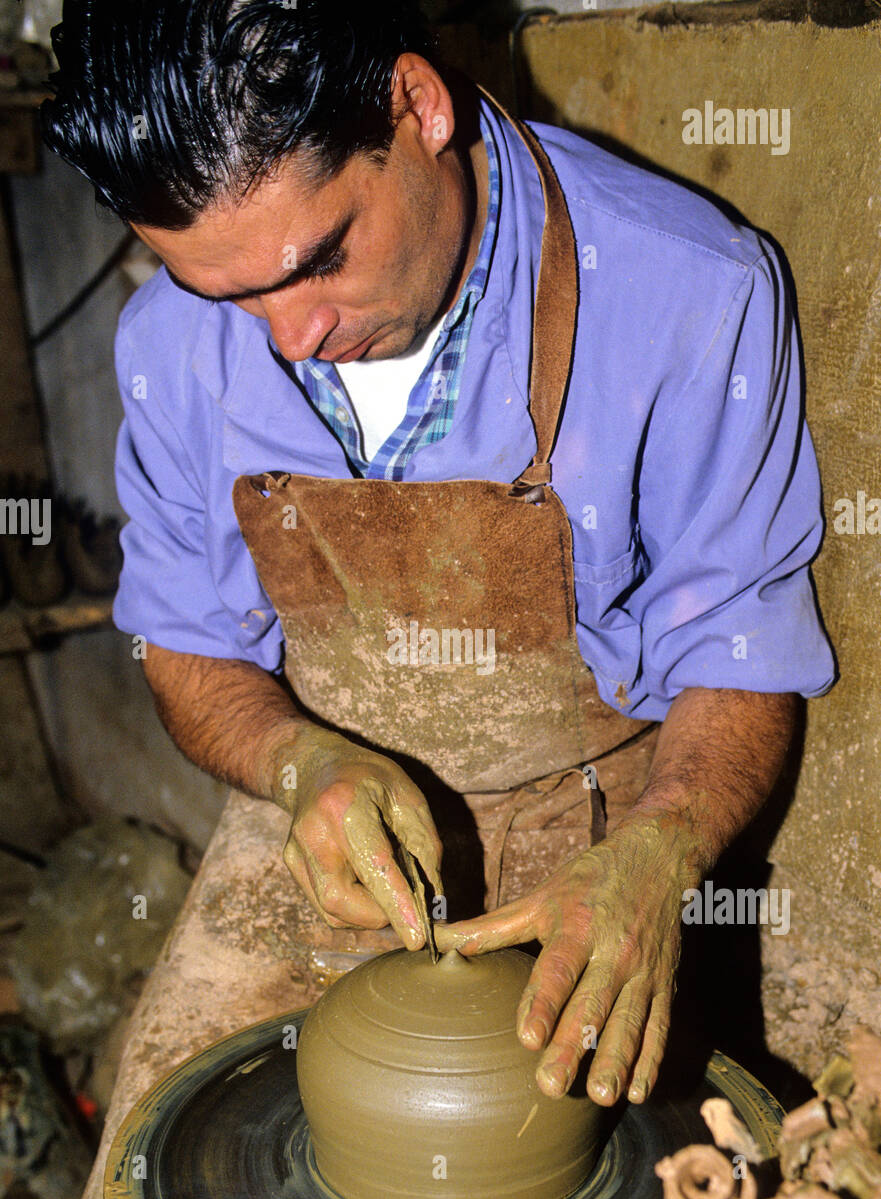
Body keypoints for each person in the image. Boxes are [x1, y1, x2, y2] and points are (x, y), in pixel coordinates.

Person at [43, 0, 834, 1112]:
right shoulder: (171, 344)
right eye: (223, 290)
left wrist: (665, 851)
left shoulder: (687, 293)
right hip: (320, 819)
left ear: (413, 106)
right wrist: (291, 760)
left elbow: (741, 648)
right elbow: (179, 641)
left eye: (316, 260)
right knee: (147, 1184)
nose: (289, 338)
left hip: (605, 839)